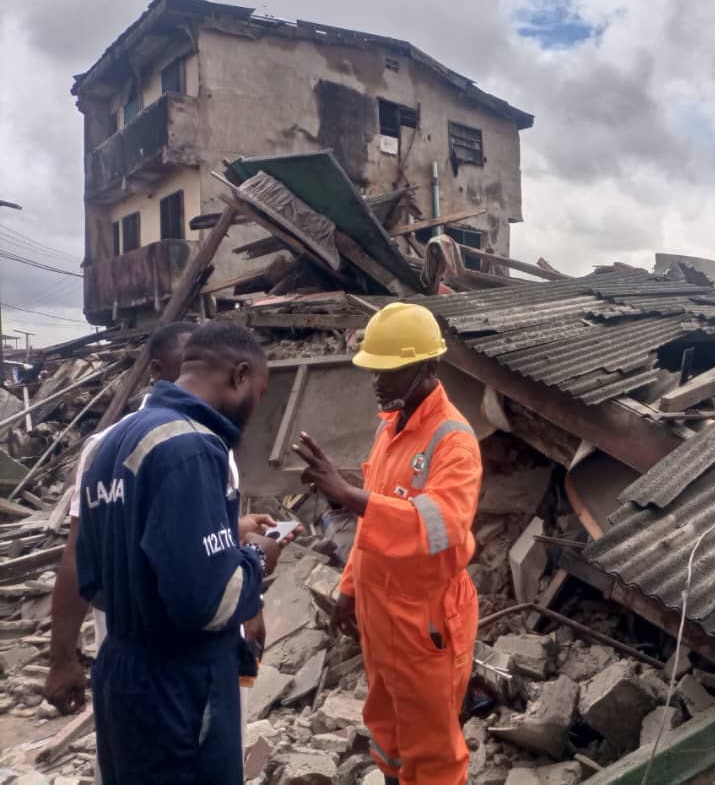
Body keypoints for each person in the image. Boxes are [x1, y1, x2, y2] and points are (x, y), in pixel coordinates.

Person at [44, 324, 289, 722]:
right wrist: (255, 560)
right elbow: (200, 598)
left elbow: (145, 543)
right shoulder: (189, 448)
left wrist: (234, 534)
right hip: (179, 674)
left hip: (129, 659)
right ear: (239, 375)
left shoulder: (117, 441)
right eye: (259, 394)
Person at [294, 302, 482, 785]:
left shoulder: (453, 442)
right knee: (388, 730)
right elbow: (374, 527)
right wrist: (351, 589)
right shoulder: (390, 427)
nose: (378, 382)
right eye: (375, 370)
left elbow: (443, 525)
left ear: (429, 369)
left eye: (391, 372)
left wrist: (349, 495)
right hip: (381, 613)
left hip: (426, 621)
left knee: (433, 748)